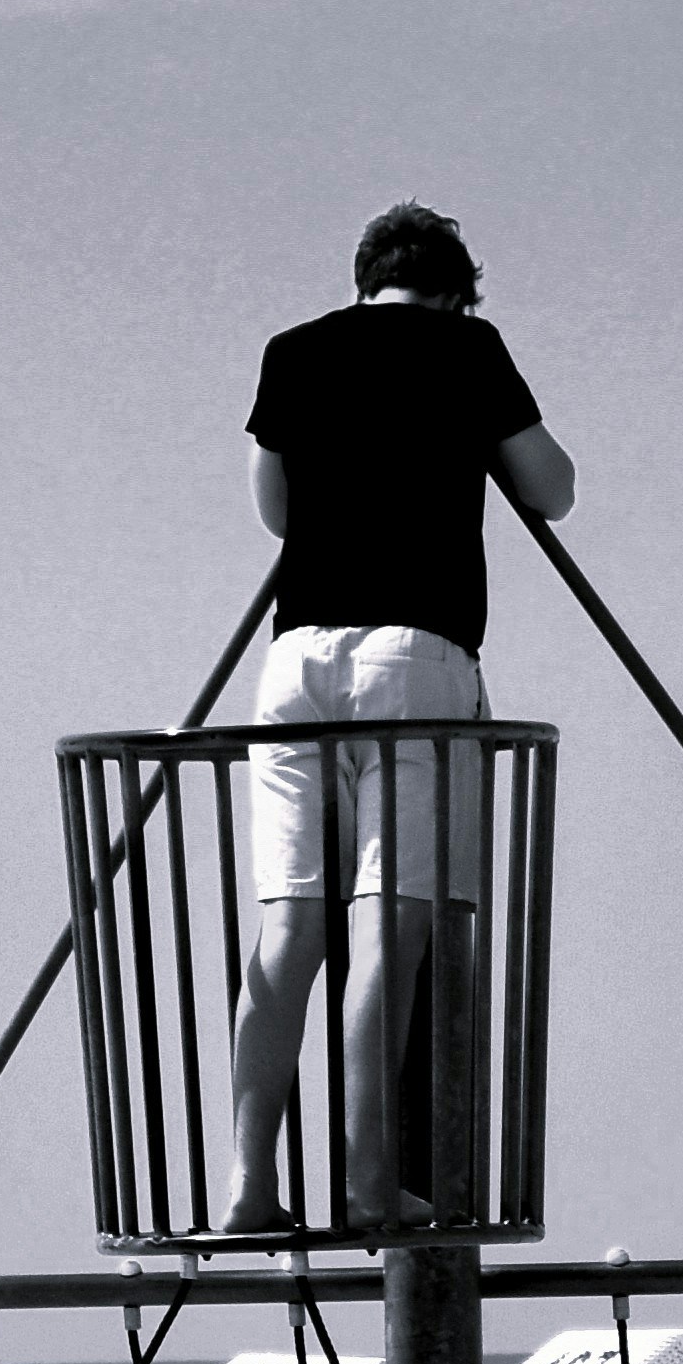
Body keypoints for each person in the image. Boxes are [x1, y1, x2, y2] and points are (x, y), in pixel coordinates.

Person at [217, 203, 579, 1237]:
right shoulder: (468, 349)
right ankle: (371, 1183)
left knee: (288, 928)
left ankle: (248, 1182)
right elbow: (550, 490)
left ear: (361, 277)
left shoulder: (293, 352)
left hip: (292, 666)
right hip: (410, 659)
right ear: (456, 287)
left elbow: (277, 513)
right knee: (388, 927)